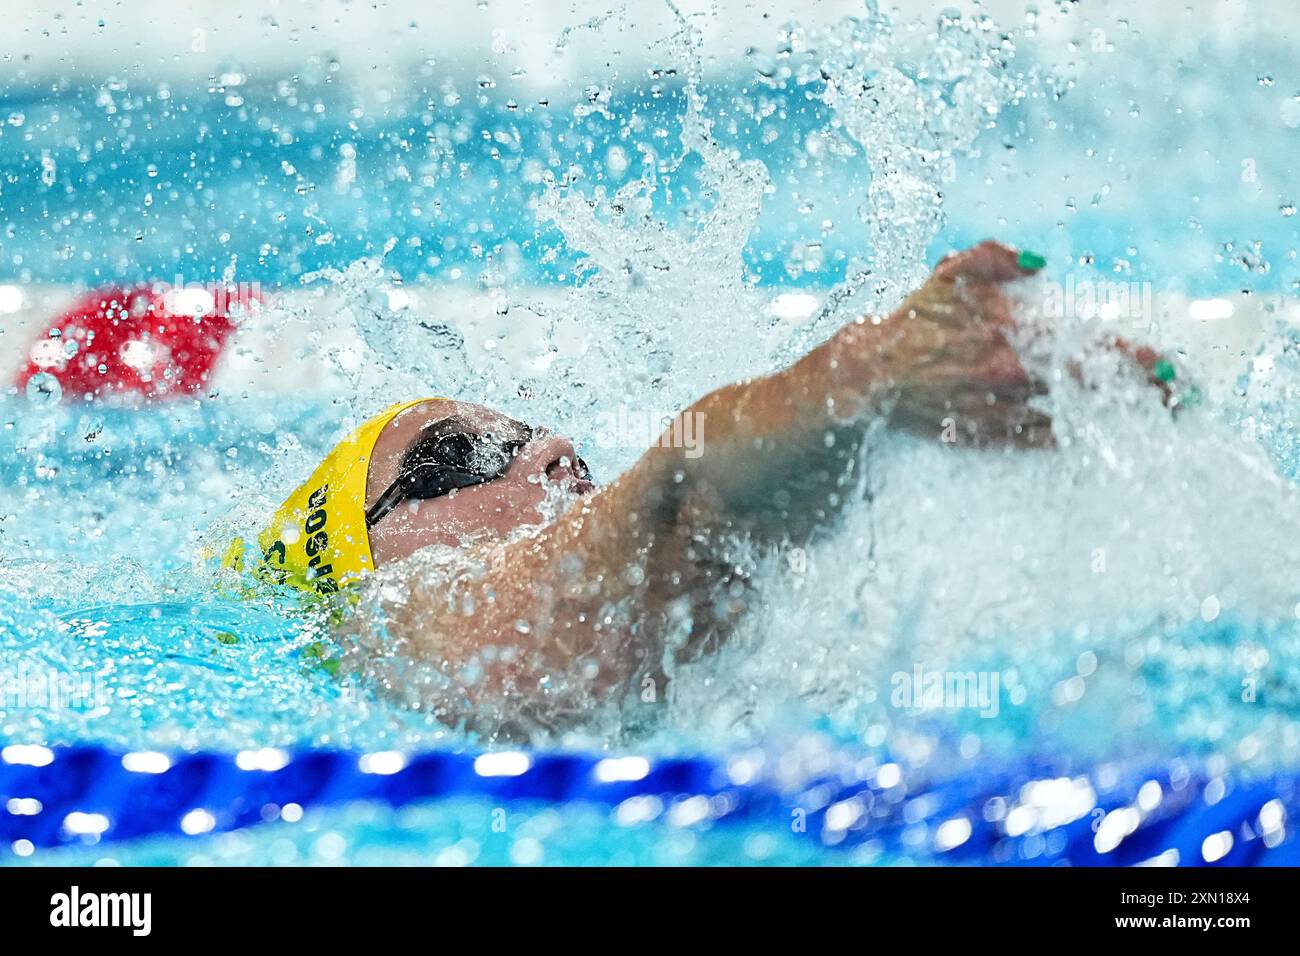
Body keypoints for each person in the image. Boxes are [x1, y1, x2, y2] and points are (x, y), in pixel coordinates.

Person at [226, 241, 1176, 730]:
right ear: (375, 542)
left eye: (523, 428)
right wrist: (873, 371)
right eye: (461, 457)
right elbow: (684, 486)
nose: (549, 446)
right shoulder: (401, 617)